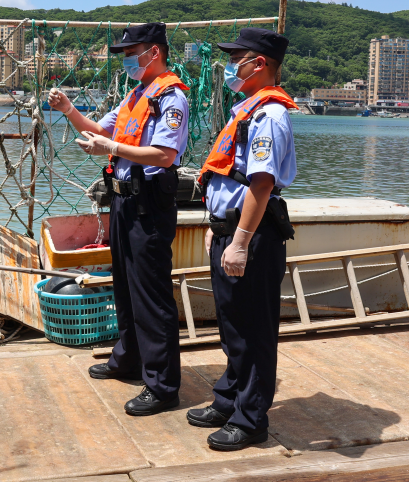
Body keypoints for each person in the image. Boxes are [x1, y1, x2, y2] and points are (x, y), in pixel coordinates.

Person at [49, 22, 190, 417]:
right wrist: (69, 110)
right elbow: (98, 130)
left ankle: (162, 386)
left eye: (133, 52)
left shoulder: (171, 98)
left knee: (151, 295)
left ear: (155, 52)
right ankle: (127, 359)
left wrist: (109, 146)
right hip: (124, 203)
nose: (128, 60)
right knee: (126, 287)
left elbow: (164, 155)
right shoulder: (135, 96)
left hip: (149, 204)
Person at [189, 27, 298, 451]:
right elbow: (223, 177)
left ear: (261, 64)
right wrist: (215, 230)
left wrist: (239, 242)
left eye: (240, 56)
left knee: (253, 329)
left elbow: (261, 183)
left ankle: (251, 419)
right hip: (229, 228)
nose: (233, 63)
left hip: (251, 234)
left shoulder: (269, 116)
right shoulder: (247, 109)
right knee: (232, 325)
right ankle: (230, 398)